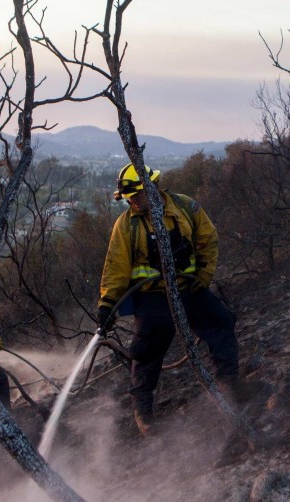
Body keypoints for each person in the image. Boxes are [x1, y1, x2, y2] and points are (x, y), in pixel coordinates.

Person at [98, 163, 239, 434]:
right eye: (129, 198)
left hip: (190, 288)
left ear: (153, 187)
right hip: (153, 297)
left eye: (136, 195)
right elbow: (115, 266)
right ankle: (143, 411)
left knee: (221, 323)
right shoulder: (126, 226)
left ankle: (230, 386)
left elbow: (208, 240)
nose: (133, 201)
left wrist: (203, 276)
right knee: (146, 350)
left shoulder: (185, 208)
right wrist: (107, 304)